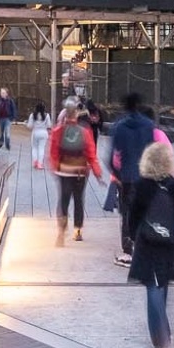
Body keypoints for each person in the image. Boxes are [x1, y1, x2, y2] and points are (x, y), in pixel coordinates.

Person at [126, 141, 174, 348]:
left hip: (147, 240)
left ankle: (160, 337)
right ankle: (162, 333)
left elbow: (133, 216)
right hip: (169, 241)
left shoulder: (141, 185)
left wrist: (133, 237)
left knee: (152, 285)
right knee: (163, 283)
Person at [108, 94, 157, 266]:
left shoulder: (119, 127)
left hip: (127, 177)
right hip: (144, 176)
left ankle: (128, 251)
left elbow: (112, 155)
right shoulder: (148, 125)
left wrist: (117, 174)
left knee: (127, 213)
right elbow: (152, 151)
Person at [47, 104, 103, 244]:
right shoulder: (85, 132)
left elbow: (53, 152)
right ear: (76, 116)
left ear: (65, 115)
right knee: (79, 200)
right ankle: (77, 231)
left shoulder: (58, 130)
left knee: (63, 200)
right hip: (80, 172)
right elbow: (91, 154)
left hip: (64, 171)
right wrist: (97, 172)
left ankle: (61, 230)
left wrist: (55, 167)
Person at [27, 103, 52, 169]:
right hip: (44, 133)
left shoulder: (32, 115)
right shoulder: (47, 115)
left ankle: (35, 161)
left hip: (35, 132)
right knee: (41, 148)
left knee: (34, 148)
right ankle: (40, 163)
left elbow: (29, 126)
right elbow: (49, 125)